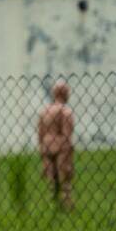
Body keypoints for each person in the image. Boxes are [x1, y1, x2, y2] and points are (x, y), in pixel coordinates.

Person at [38, 79, 75, 209]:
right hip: (61, 147)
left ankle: (52, 203)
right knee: (64, 176)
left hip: (47, 146)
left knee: (51, 178)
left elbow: (40, 133)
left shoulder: (45, 111)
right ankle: (66, 202)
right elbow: (67, 134)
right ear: (64, 93)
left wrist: (42, 149)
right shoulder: (65, 111)